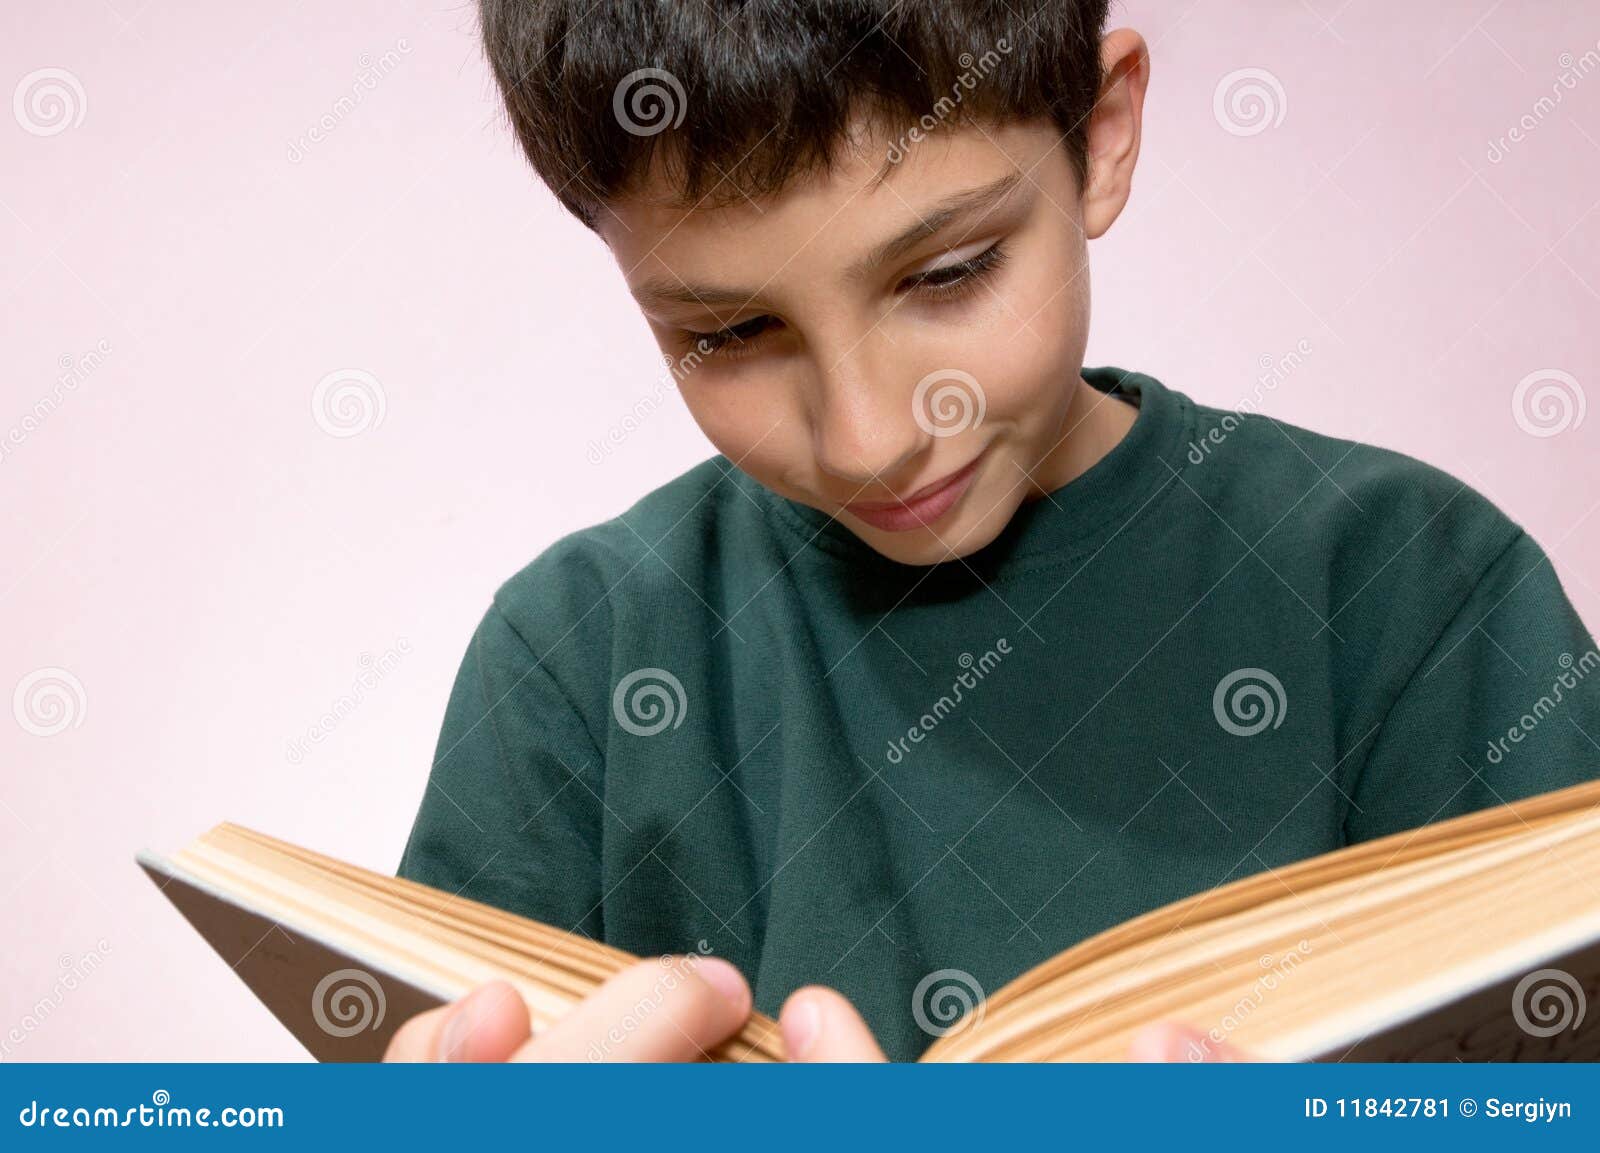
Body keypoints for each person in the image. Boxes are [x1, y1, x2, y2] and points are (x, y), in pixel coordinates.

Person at [387, 0, 1600, 1062]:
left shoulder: (1411, 590)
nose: (867, 437)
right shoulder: (575, 659)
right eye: (728, 334)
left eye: (948, 272)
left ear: (1102, 132)